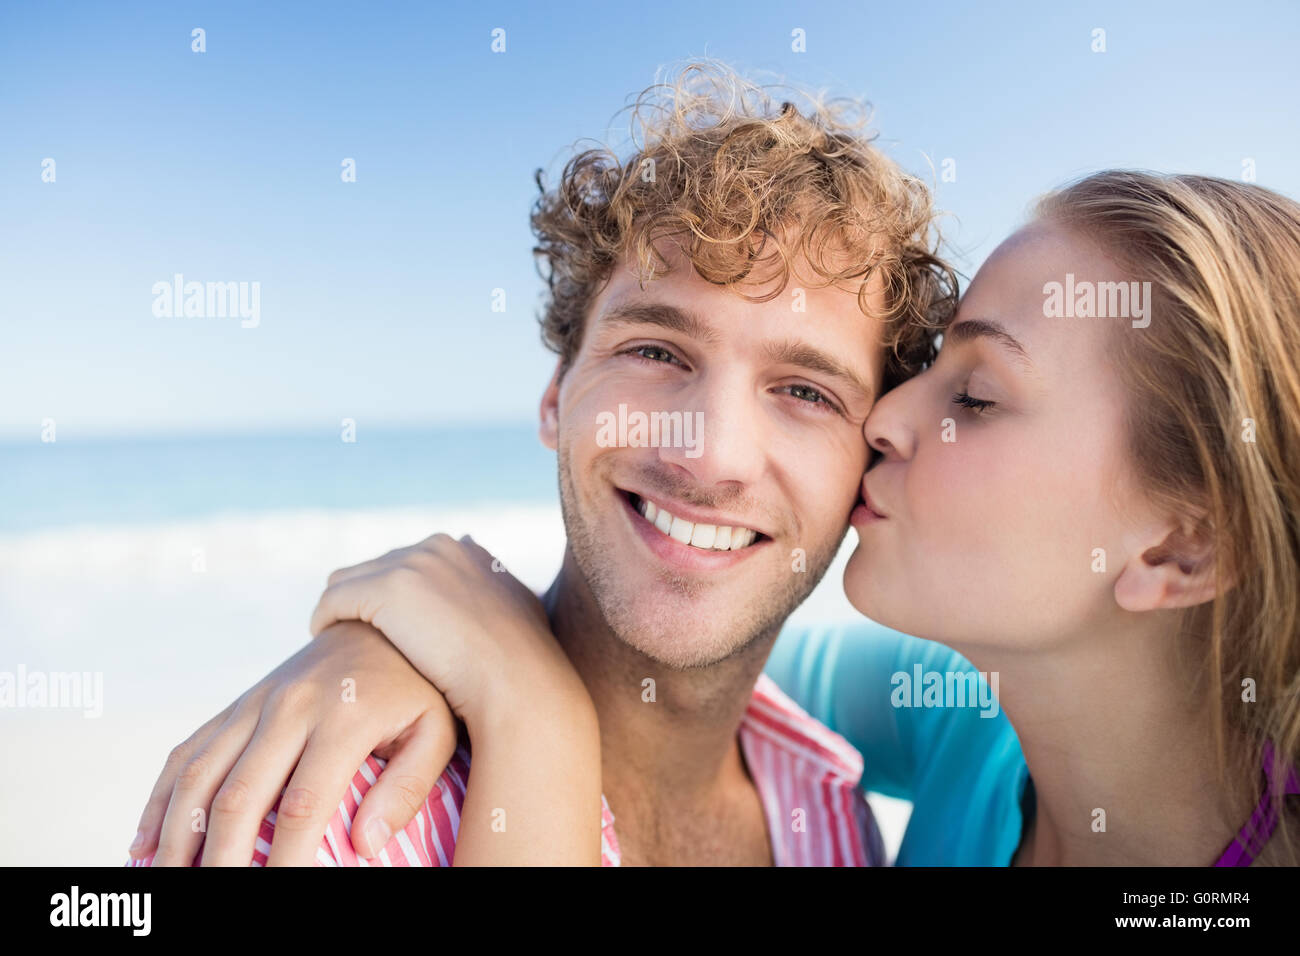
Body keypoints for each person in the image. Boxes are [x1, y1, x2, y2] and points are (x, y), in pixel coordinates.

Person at [125, 60, 958, 867]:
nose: (711, 456)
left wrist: (531, 699)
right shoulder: (326, 817)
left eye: (806, 393)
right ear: (558, 396)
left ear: (869, 463)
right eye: (656, 351)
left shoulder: (832, 810)